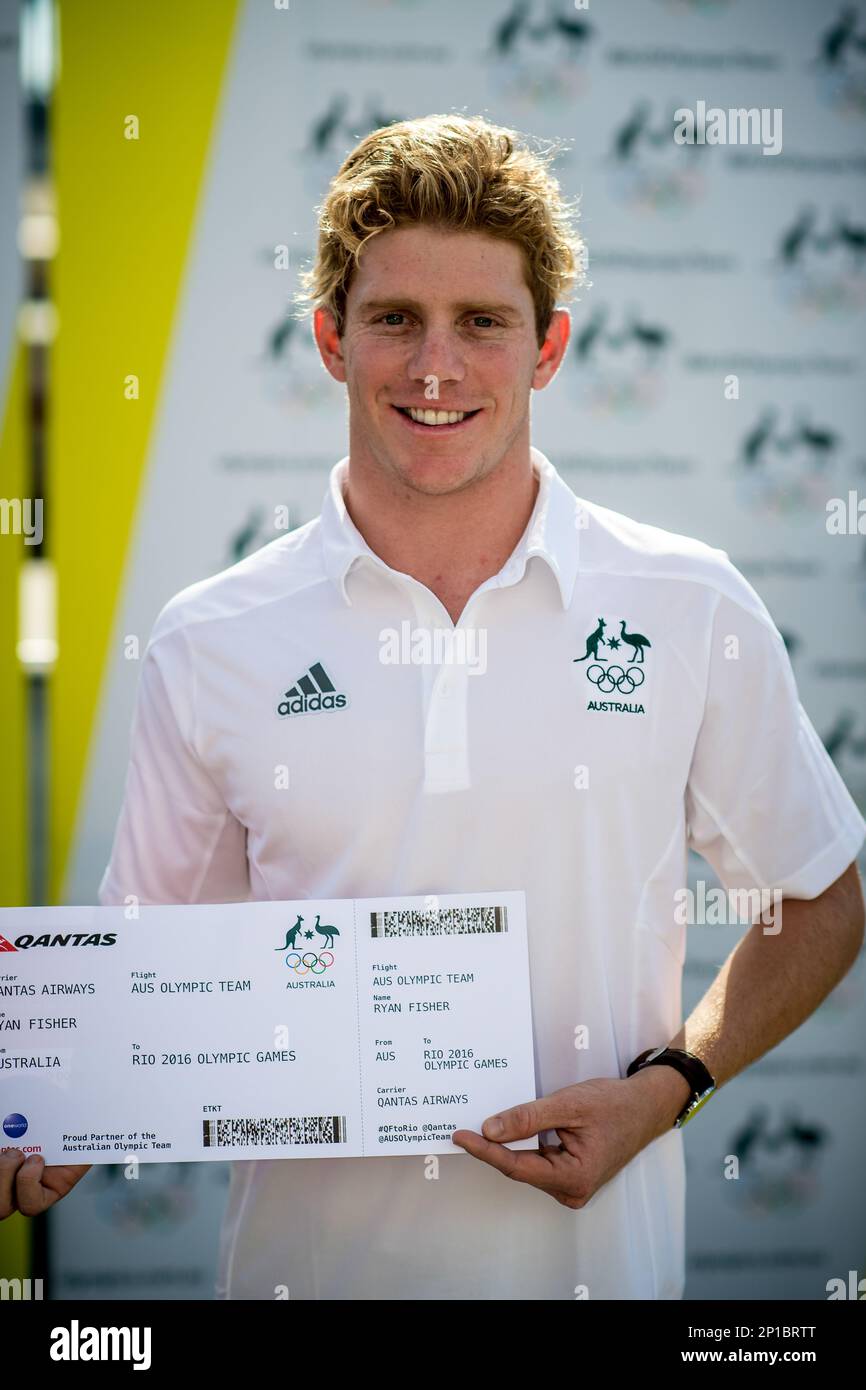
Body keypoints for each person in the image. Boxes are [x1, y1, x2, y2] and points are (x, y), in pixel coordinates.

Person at [2, 114, 864, 1301]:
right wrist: (55, 1115)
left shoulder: (685, 603)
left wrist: (668, 1086)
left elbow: (817, 895)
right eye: (393, 319)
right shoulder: (211, 638)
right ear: (327, 340)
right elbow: (149, 975)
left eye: (482, 324)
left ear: (549, 346)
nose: (435, 367)